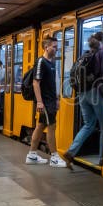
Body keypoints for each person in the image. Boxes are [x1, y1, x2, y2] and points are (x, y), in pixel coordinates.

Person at [63, 31, 103, 166]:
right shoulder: (101, 54)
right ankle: (102, 158)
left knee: (88, 124)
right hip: (95, 93)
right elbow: (102, 73)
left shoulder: (83, 56)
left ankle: (71, 152)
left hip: (81, 94)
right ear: (102, 41)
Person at [25, 36, 67, 167]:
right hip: (45, 101)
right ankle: (54, 157)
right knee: (52, 127)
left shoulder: (52, 63)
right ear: (46, 47)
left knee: (40, 126)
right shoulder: (41, 62)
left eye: (57, 47)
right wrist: (39, 102)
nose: (56, 49)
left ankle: (32, 155)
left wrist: (57, 99)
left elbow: (52, 83)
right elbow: (35, 83)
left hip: (50, 100)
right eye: (54, 47)